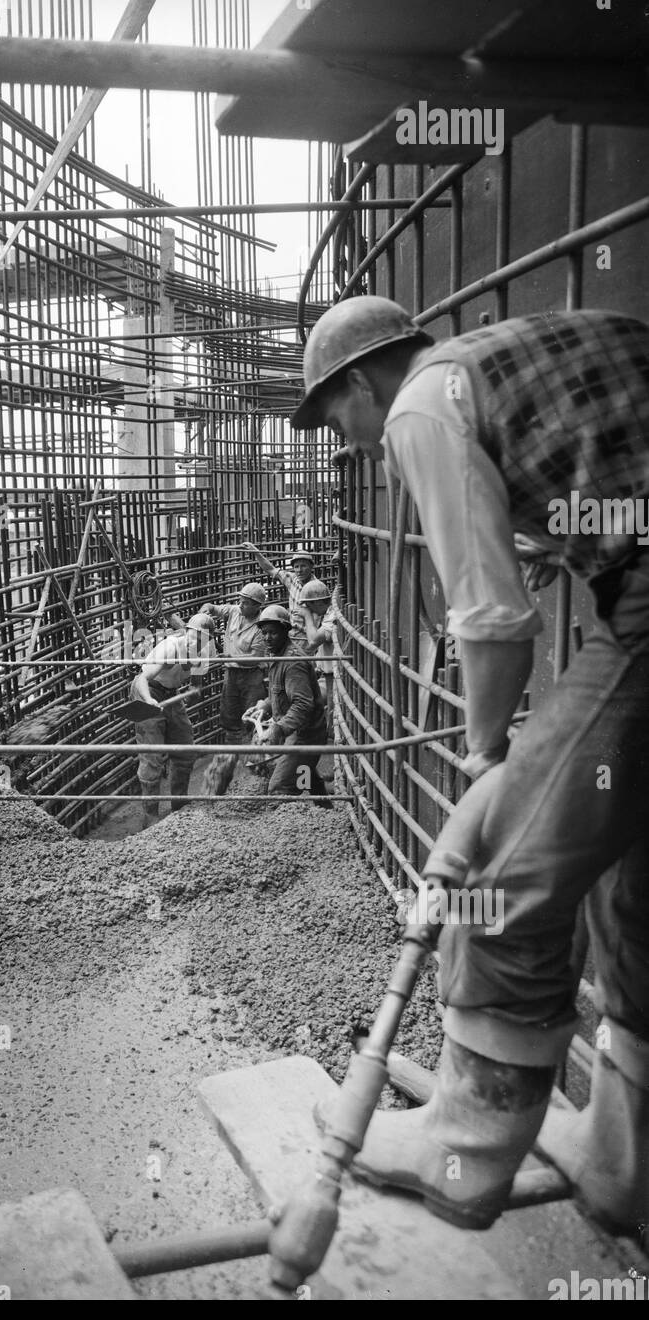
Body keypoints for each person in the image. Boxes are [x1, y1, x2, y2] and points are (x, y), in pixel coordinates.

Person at [291, 293, 649, 1236]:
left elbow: (491, 625)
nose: (354, 444)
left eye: (338, 418)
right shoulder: (515, 350)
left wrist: (487, 758)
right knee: (628, 886)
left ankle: (463, 1151)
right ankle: (620, 1160)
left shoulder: (419, 403)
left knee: (503, 879)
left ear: (364, 383)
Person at [131, 612, 215, 826]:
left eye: (201, 637)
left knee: (185, 748)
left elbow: (196, 684)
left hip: (171, 694)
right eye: (192, 634)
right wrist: (149, 701)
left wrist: (194, 689)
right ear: (186, 632)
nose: (194, 640)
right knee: (152, 755)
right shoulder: (171, 647)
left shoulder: (204, 653)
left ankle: (180, 805)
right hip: (148, 691)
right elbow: (142, 678)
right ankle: (150, 816)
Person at [245, 604, 328, 801]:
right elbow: (281, 693)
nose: (267, 638)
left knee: (279, 787)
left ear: (285, 630)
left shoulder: (292, 662)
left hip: (305, 734)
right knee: (303, 771)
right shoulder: (277, 655)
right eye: (264, 633)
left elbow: (302, 704)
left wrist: (279, 728)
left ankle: (297, 825)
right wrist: (265, 705)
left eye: (272, 633)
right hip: (298, 731)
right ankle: (323, 808)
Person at [199, 582, 268, 744]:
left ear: (257, 606)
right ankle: (232, 752)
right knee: (229, 714)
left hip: (252, 676)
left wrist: (229, 657)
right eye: (240, 600)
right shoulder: (234, 611)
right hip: (231, 674)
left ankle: (253, 754)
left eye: (245, 602)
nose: (241, 605)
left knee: (252, 716)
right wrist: (206, 609)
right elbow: (213, 608)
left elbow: (254, 658)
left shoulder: (262, 625)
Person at [241, 542, 316, 639]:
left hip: (307, 636)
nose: (299, 570)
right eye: (296, 566)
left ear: (311, 566)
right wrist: (256, 552)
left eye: (303, 566)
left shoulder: (317, 588)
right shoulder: (292, 579)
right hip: (291, 633)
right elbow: (270, 569)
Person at [297, 576, 338, 716]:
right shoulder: (326, 614)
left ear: (318, 602)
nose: (308, 608)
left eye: (309, 605)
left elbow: (313, 640)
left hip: (335, 675)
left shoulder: (333, 615)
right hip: (328, 673)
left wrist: (307, 616)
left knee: (334, 712)